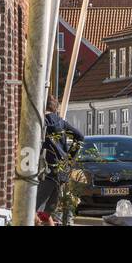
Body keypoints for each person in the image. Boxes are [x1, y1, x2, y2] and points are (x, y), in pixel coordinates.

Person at [37, 95, 83, 226]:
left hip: (46, 171)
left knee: (32, 211)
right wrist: (69, 157)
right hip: (61, 171)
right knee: (46, 214)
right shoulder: (61, 122)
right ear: (55, 108)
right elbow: (80, 136)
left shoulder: (41, 122)